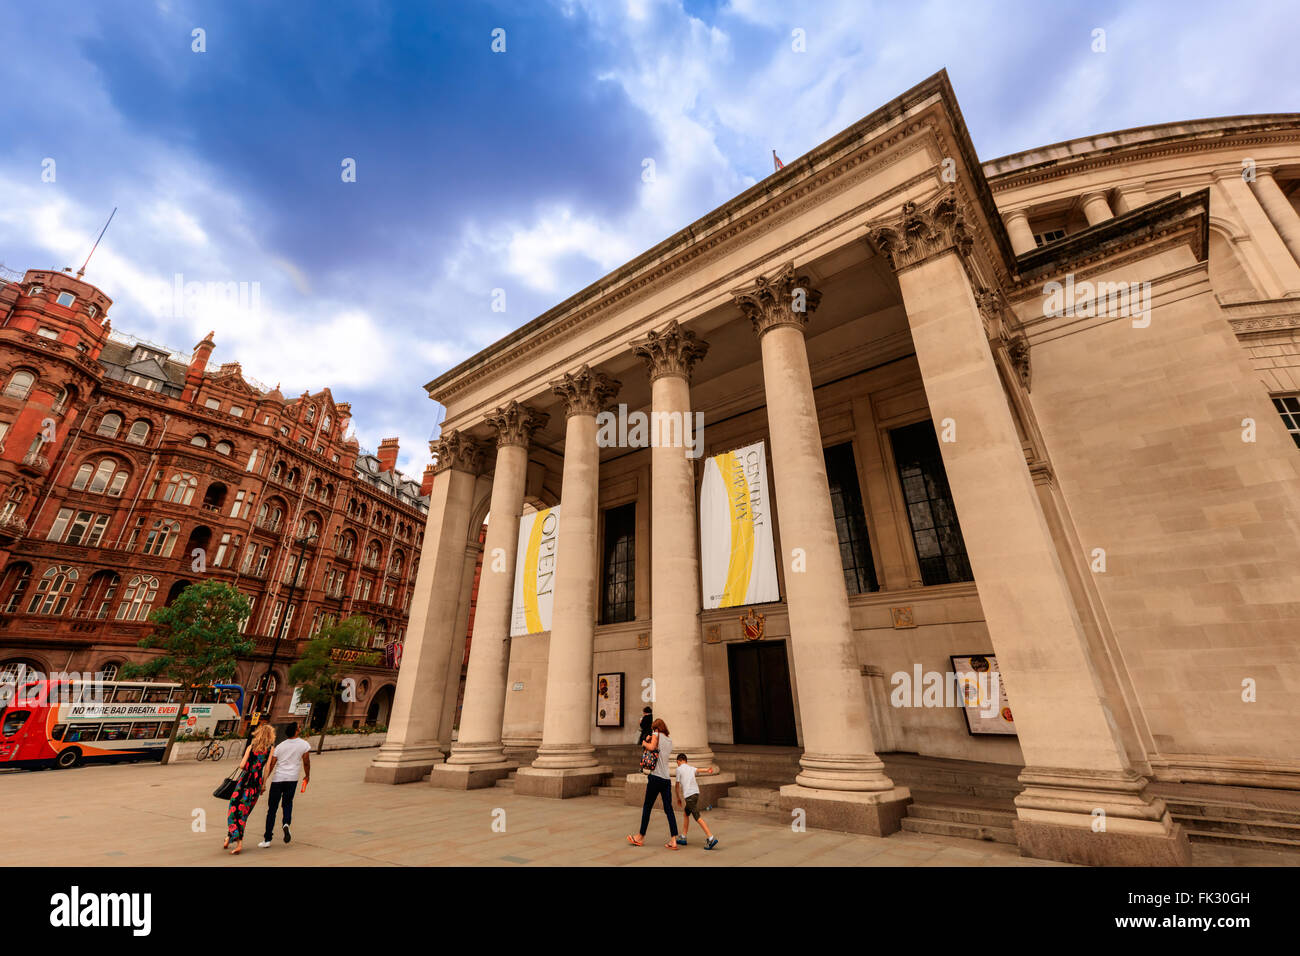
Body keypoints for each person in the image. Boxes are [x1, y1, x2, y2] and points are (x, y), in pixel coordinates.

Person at [627, 718, 679, 849]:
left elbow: (652, 747)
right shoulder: (669, 739)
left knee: (647, 807)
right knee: (669, 809)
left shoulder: (656, 734)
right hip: (666, 778)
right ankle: (674, 840)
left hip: (655, 777)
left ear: (656, 727)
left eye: (653, 728)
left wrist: (645, 742)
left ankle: (640, 837)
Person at [224, 722, 275, 855]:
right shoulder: (270, 749)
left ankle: (237, 840)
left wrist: (249, 767)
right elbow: (267, 768)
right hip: (256, 783)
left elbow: (241, 765)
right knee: (244, 812)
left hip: (244, 781)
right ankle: (230, 837)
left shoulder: (251, 747)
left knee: (233, 809)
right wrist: (263, 784)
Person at [259, 721, 312, 848]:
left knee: (272, 809)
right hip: (292, 779)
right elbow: (306, 762)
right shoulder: (304, 745)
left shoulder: (280, 746)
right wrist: (307, 775)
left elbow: (271, 764)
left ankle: (267, 839)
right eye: (299, 727)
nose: (300, 728)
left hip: (278, 779)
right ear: (296, 731)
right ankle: (286, 823)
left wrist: (264, 781)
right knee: (287, 803)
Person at [673, 753, 720, 850]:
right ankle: (683, 836)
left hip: (689, 796)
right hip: (696, 794)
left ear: (679, 760)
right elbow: (699, 770)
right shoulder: (690, 768)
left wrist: (678, 797)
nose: (677, 764)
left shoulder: (679, 769)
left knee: (697, 817)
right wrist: (707, 770)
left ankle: (710, 837)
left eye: (677, 762)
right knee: (686, 813)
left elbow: (677, 785)